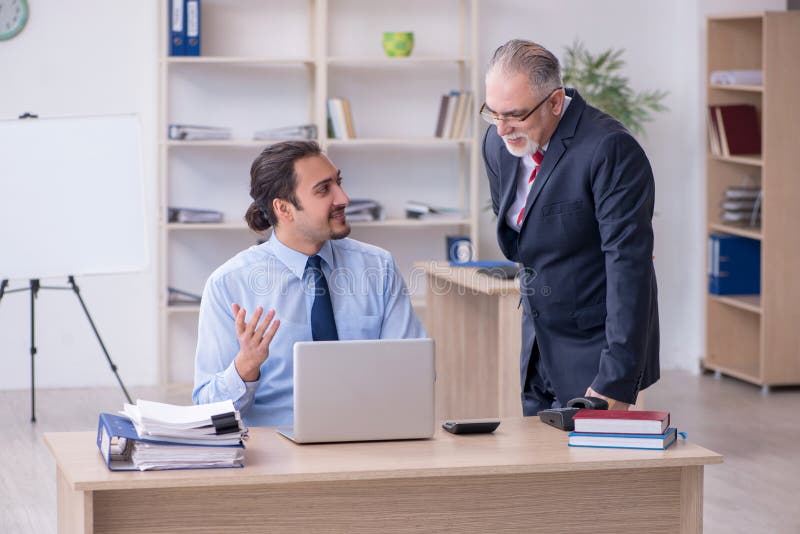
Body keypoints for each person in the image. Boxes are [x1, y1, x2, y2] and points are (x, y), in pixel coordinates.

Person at [481, 39, 659, 415]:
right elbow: (524, 236)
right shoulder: (497, 145)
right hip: (537, 343)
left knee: (591, 454)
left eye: (514, 115)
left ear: (555, 102)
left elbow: (629, 267)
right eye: (492, 113)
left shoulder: (610, 149)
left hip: (595, 349)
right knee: (537, 453)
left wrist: (616, 378)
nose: (501, 129)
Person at [193, 140, 425, 426]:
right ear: (284, 208)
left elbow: (417, 372)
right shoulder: (229, 285)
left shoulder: (379, 267)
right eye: (324, 189)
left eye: (338, 183)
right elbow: (207, 411)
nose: (344, 198)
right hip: (274, 444)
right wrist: (245, 366)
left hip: (365, 436)